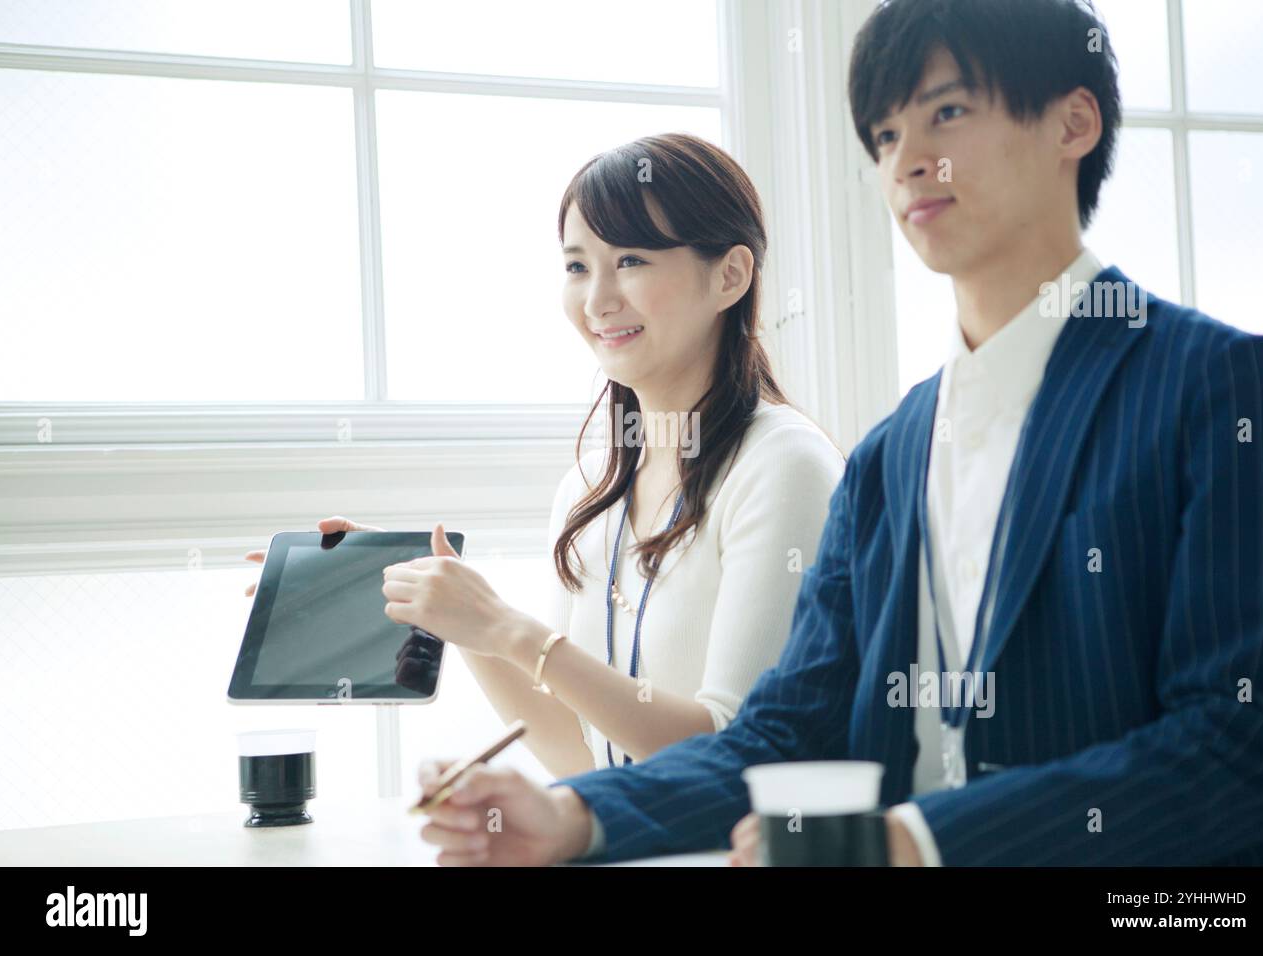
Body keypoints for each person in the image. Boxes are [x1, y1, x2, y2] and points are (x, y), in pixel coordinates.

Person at [413, 0, 1263, 867]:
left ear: (1072, 123)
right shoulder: (890, 455)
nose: (908, 160)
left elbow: (1240, 744)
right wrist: (569, 819)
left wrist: (916, 840)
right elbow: (780, 734)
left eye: (946, 112)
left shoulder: (1221, 386)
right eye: (882, 136)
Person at [246, 132, 845, 781]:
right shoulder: (589, 490)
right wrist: (458, 619)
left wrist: (508, 628)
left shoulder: (785, 466)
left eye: (633, 261)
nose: (598, 301)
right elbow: (581, 755)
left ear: (730, 275)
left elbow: (735, 752)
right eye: (578, 266)